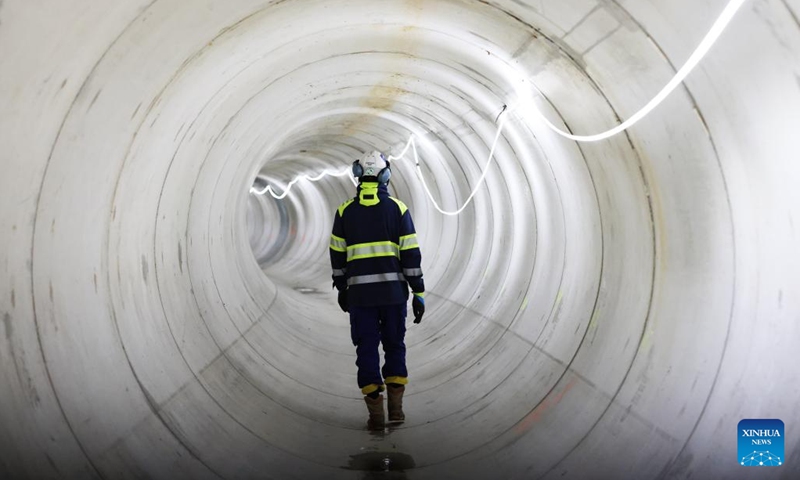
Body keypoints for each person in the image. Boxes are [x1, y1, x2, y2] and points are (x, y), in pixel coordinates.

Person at [329, 150, 426, 431]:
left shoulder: (345, 211)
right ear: (386, 176)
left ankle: (375, 416)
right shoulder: (398, 209)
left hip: (361, 297)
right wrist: (418, 291)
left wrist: (342, 286)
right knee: (395, 345)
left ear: (357, 175)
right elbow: (410, 254)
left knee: (367, 347)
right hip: (394, 296)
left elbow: (337, 254)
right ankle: (396, 411)